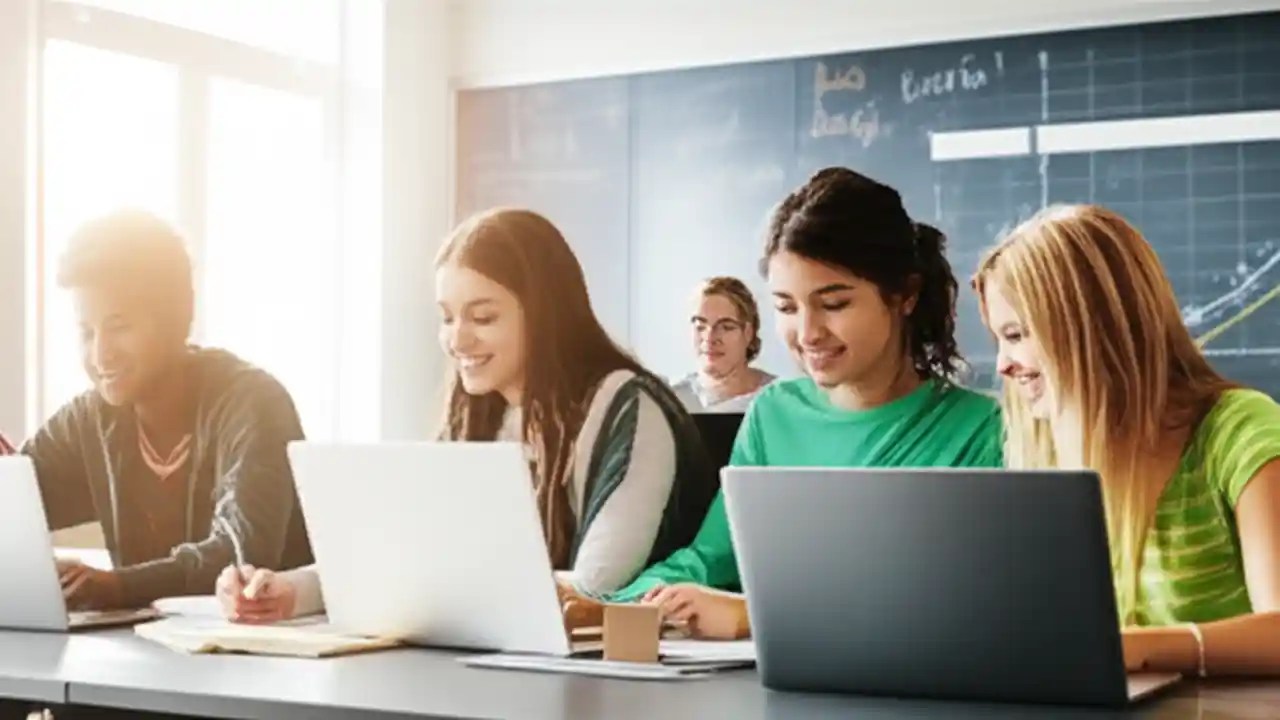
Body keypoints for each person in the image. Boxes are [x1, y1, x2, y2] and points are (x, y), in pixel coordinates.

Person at [217, 208, 718, 623]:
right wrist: (289, 591)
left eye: (483, 317)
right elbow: (409, 550)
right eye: (447, 317)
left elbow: (597, 586)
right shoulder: (476, 414)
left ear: (546, 314)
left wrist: (436, 585)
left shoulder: (629, 409)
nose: (457, 340)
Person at [562, 167, 1004, 638]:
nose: (808, 334)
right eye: (787, 308)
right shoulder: (773, 414)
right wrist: (604, 606)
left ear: (905, 296)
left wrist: (750, 616)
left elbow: (946, 608)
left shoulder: (983, 430)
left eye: (834, 305)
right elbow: (709, 560)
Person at [974, 204, 1280, 677]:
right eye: (999, 339)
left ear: (1089, 327)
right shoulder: (1043, 447)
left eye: (1016, 335)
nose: (1003, 365)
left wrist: (1138, 648)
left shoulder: (1239, 431)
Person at [21, 209, 313, 611]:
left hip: (267, 652)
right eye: (87, 332)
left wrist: (117, 587)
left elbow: (239, 553)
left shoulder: (252, 403)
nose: (100, 353)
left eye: (119, 327)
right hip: (148, 657)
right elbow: (15, 506)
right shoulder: (88, 419)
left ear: (177, 317)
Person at [670, 276, 776, 413]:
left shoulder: (778, 400)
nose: (710, 338)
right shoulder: (670, 400)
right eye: (700, 326)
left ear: (748, 333)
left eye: (726, 327)